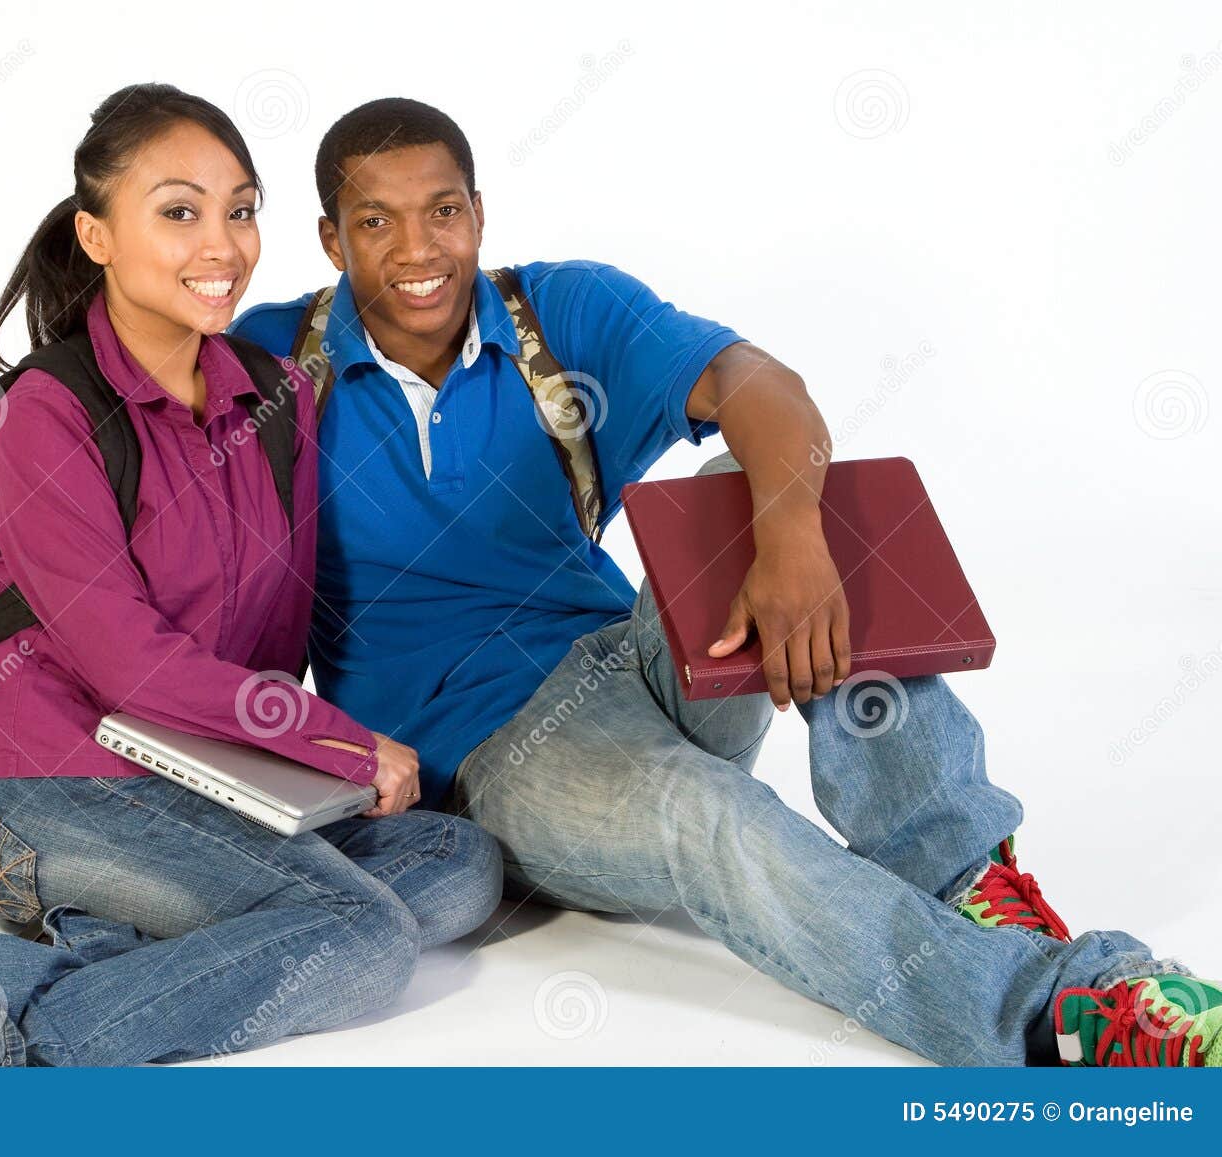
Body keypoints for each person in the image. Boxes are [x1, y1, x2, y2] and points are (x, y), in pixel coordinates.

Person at [229, 97, 1221, 1067]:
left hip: (648, 665)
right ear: (329, 239)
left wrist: (791, 544)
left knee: (760, 480)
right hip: (491, 750)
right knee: (713, 815)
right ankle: (1057, 1010)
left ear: (477, 214)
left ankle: (960, 871)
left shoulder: (555, 309)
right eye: (376, 221)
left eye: (441, 211)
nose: (417, 250)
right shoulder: (269, 362)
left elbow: (761, 385)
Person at [0, 85, 502, 1067]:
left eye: (240, 209)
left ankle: (61, 962)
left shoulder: (274, 395)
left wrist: (287, 774)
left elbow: (274, 632)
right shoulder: (49, 410)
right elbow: (127, 664)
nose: (221, 246)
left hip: (186, 774)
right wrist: (343, 744)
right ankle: (16, 1027)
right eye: (178, 212)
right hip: (30, 781)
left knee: (458, 860)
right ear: (95, 234)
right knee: (367, 936)